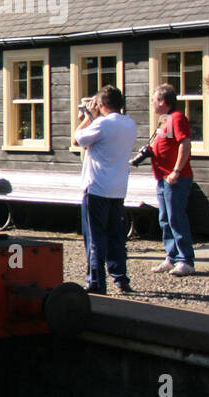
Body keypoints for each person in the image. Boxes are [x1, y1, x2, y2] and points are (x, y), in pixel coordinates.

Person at [72, 85, 137, 294]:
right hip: (118, 188)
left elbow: (76, 139)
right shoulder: (130, 124)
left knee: (95, 236)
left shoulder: (101, 124)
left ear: (101, 105)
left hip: (97, 187)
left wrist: (88, 117)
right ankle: (120, 278)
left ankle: (96, 281)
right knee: (116, 235)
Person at [148, 84, 195, 276]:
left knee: (176, 218)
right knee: (165, 219)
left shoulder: (177, 118)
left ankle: (186, 260)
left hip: (176, 178)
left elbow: (185, 143)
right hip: (162, 177)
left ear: (163, 101)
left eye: (154, 99)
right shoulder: (164, 120)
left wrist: (176, 170)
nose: (151, 103)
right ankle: (171, 256)